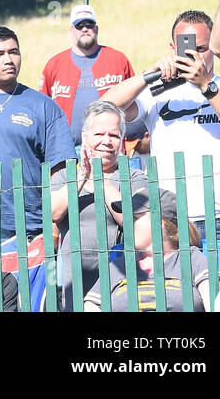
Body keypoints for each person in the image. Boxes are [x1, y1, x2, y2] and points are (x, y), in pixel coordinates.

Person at [101, 9, 220, 284]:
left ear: (215, 50)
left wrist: (206, 86)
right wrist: (150, 74)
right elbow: (105, 109)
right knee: (176, 299)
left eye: (202, 48)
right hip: (171, 222)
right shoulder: (157, 92)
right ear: (173, 48)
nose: (195, 55)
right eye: (187, 48)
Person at [0, 26, 74, 311]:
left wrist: (52, 228)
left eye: (14, 52)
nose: (9, 59)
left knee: (39, 305)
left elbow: (60, 171)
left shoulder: (44, 107)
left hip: (32, 237)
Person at [50, 100, 150, 310]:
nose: (107, 141)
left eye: (114, 135)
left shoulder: (134, 177)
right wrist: (81, 177)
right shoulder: (64, 177)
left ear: (122, 140)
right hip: (75, 278)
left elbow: (132, 221)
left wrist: (98, 178)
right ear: (84, 136)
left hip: (121, 276)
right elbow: (54, 212)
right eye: (99, 134)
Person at [39, 3, 140, 149]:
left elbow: (135, 102)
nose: (85, 29)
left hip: (109, 147)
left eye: (89, 24)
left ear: (96, 28)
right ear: (71, 30)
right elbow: (44, 109)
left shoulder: (118, 59)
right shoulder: (54, 64)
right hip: (67, 150)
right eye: (79, 25)